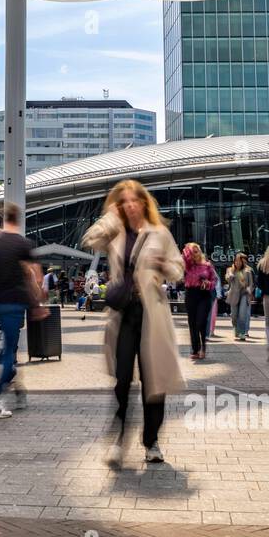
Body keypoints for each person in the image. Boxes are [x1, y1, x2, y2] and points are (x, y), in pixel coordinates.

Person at [84, 180, 184, 467]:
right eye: (123, 201)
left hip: (151, 312)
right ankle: (119, 438)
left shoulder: (160, 232)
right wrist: (111, 217)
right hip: (124, 314)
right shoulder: (115, 233)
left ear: (143, 202)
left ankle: (151, 441)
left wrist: (164, 266)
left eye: (133, 200)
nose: (129, 205)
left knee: (155, 380)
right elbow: (90, 239)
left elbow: (178, 269)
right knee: (123, 377)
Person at [0, 203, 47, 419]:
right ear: (18, 220)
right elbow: (36, 276)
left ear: (3, 220)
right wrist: (37, 303)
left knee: (4, 352)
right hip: (16, 305)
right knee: (9, 355)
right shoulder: (23, 244)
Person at [182, 243, 217, 360]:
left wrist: (208, 283)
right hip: (190, 294)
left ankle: (203, 347)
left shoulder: (207, 265)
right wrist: (187, 252)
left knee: (200, 322)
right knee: (192, 323)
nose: (195, 254)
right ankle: (195, 349)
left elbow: (214, 281)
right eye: (193, 252)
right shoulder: (187, 266)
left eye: (197, 251)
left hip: (204, 295)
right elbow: (183, 260)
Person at [225, 253, 254, 342]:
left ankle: (242, 332)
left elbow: (251, 284)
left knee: (242, 314)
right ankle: (236, 328)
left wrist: (249, 289)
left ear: (242, 262)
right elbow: (227, 278)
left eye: (239, 261)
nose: (237, 263)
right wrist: (230, 276)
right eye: (236, 261)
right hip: (234, 294)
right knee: (234, 315)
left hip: (244, 294)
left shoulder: (248, 271)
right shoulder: (230, 270)